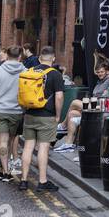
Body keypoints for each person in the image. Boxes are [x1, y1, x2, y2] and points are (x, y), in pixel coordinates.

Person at [18, 46, 64, 191]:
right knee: (43, 147)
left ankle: (23, 180)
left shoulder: (30, 71)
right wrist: (58, 115)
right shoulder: (55, 74)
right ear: (53, 58)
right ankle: (42, 182)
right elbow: (59, 97)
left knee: (28, 147)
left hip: (30, 114)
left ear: (39, 58)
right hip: (47, 116)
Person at [0, 46, 25, 181]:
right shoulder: (25, 72)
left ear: (7, 55)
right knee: (11, 141)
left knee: (3, 140)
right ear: (20, 57)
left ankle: (4, 171)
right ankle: (6, 171)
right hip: (16, 111)